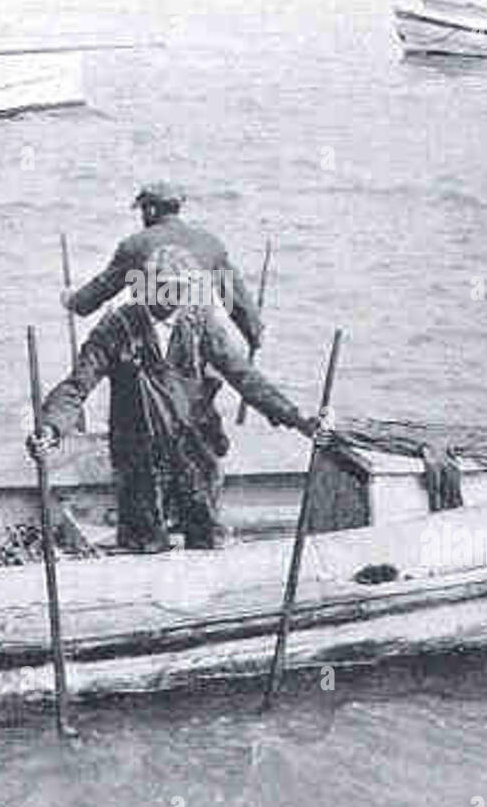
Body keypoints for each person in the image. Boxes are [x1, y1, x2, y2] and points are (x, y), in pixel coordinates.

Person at [30, 246, 331, 553]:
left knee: (207, 540)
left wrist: (297, 418)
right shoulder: (117, 327)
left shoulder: (200, 323)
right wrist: (51, 428)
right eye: (162, 288)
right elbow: (77, 386)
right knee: (143, 545)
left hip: (194, 450)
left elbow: (245, 377)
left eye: (181, 289)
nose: (172, 298)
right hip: (139, 455)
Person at [62, 182, 264, 353]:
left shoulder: (135, 245)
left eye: (142, 210)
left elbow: (97, 293)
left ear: (151, 210)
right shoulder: (210, 244)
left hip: (154, 348)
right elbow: (236, 301)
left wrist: (72, 301)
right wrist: (253, 335)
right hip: (200, 344)